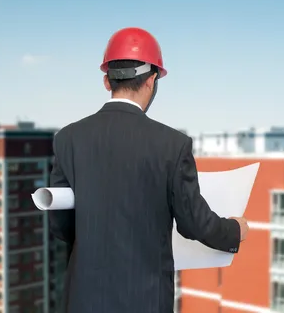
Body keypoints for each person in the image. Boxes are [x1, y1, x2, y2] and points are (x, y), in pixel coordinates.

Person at [48, 27, 249, 313]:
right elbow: (194, 223)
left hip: (84, 299)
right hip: (143, 300)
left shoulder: (68, 138)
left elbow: (60, 224)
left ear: (107, 80)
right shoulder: (172, 145)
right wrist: (233, 230)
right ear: (152, 80)